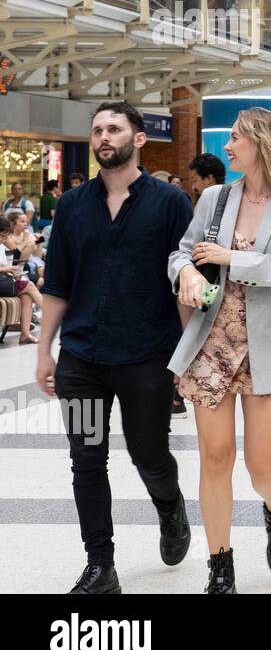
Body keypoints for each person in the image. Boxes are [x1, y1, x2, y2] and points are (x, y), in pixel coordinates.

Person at [35, 100, 194, 594]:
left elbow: (184, 282)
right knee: (86, 458)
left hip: (147, 357)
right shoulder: (72, 205)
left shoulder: (170, 204)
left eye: (115, 128)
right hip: (82, 359)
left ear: (138, 139)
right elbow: (57, 283)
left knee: (149, 455)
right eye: (98, 129)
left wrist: (187, 360)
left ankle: (170, 508)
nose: (104, 136)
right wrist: (46, 350)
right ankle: (100, 565)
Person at [170, 107, 271, 593]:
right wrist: (188, 273)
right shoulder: (216, 198)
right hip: (212, 342)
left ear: (261, 142)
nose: (229, 145)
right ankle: (221, 569)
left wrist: (232, 259)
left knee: (263, 465)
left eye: (237, 137)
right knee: (214, 457)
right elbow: (182, 249)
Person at [0, 215, 42, 343]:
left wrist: (13, 271)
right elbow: (7, 265)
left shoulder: (1, 246)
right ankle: (53, 315)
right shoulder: (7, 243)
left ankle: (25, 334)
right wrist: (6, 270)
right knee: (29, 285)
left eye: (5, 236)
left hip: (4, 279)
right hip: (3, 280)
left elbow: (6, 266)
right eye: (2, 236)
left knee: (26, 297)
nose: (3, 239)